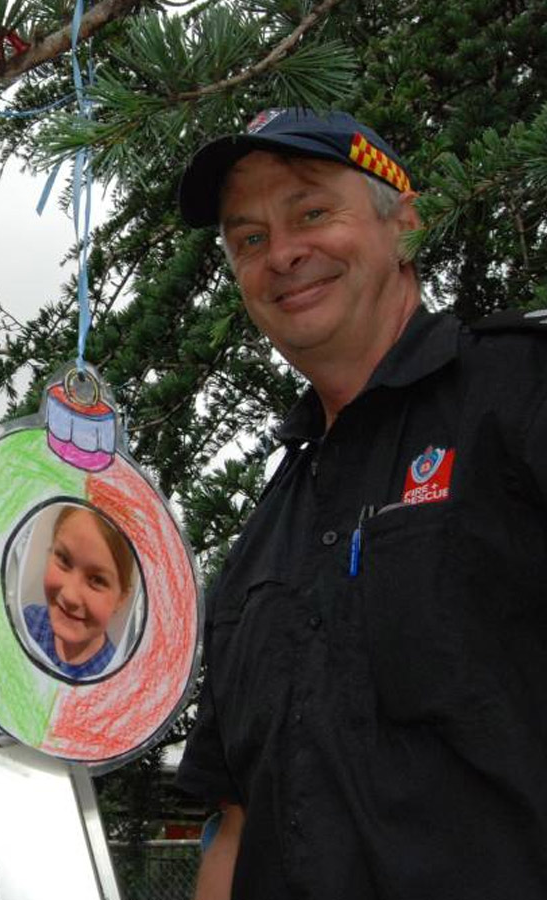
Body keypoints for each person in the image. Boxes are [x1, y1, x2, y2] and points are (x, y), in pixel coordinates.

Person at [174, 108, 547, 899]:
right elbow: (236, 824)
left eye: (312, 211)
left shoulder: (520, 395)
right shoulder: (257, 545)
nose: (281, 255)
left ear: (403, 223)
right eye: (248, 239)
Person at [22, 505, 135, 679]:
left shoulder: (114, 682)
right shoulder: (27, 622)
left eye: (97, 580)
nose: (70, 596)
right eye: (64, 560)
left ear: (121, 598)